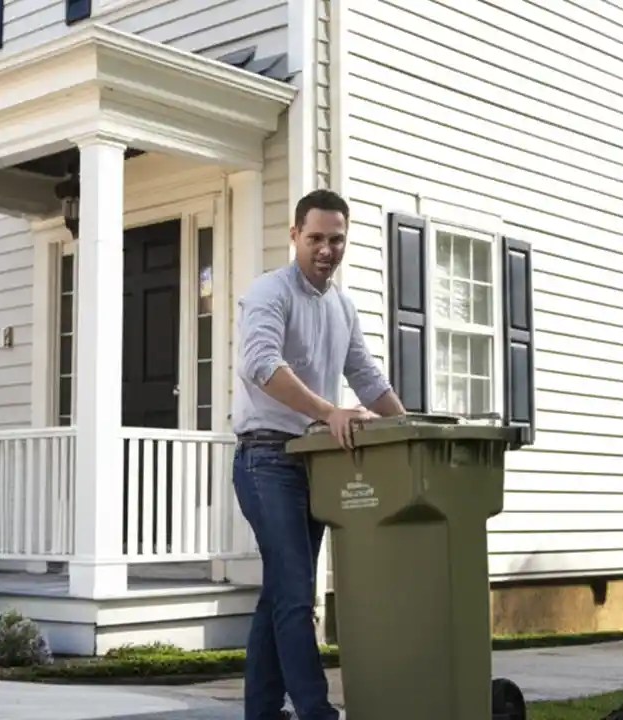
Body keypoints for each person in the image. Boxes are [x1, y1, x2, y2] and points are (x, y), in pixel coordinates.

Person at [232, 189, 406, 720]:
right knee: (296, 597)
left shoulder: (341, 305)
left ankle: (262, 713)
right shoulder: (270, 292)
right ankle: (316, 713)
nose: (326, 249)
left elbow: (367, 377)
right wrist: (328, 412)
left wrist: (410, 429)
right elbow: (260, 364)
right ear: (294, 236)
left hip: (313, 465)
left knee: (280, 595)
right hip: (266, 459)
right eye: (315, 239)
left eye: (336, 239)